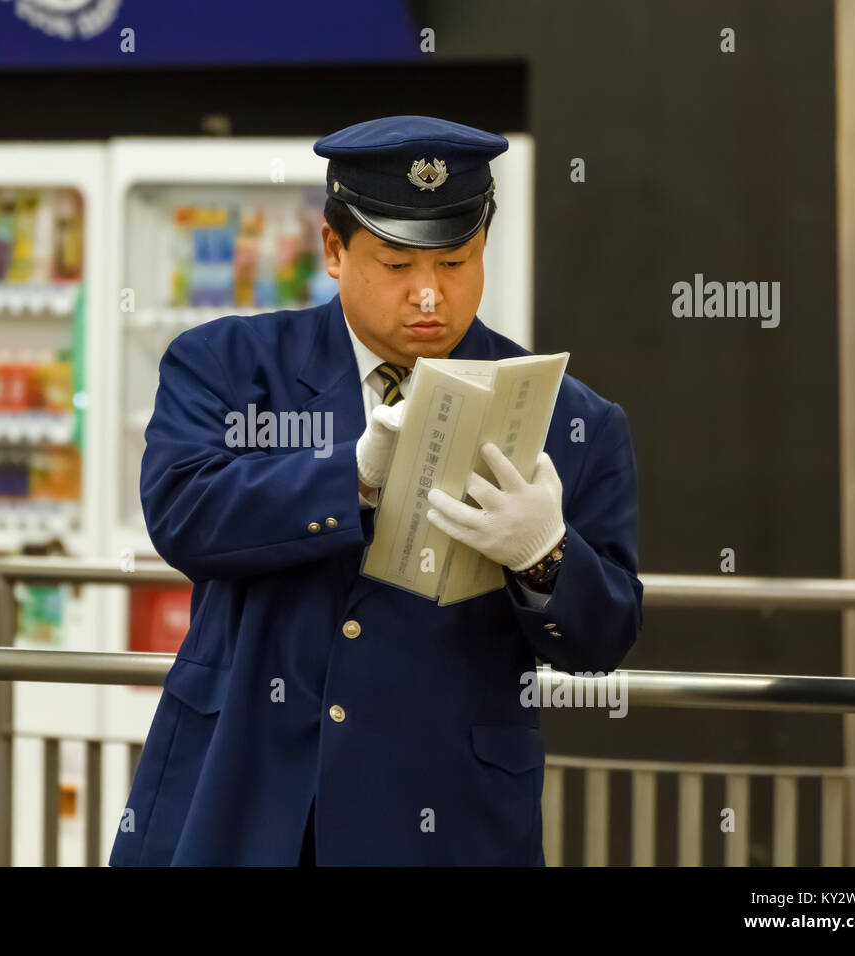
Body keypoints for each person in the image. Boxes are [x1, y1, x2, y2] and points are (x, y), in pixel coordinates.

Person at [110, 115, 642, 866]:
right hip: (244, 794)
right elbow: (184, 515)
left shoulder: (570, 416)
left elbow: (604, 640)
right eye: (397, 267)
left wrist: (545, 559)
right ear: (333, 250)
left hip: (444, 814)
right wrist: (352, 476)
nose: (429, 295)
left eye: (455, 264)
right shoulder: (228, 364)